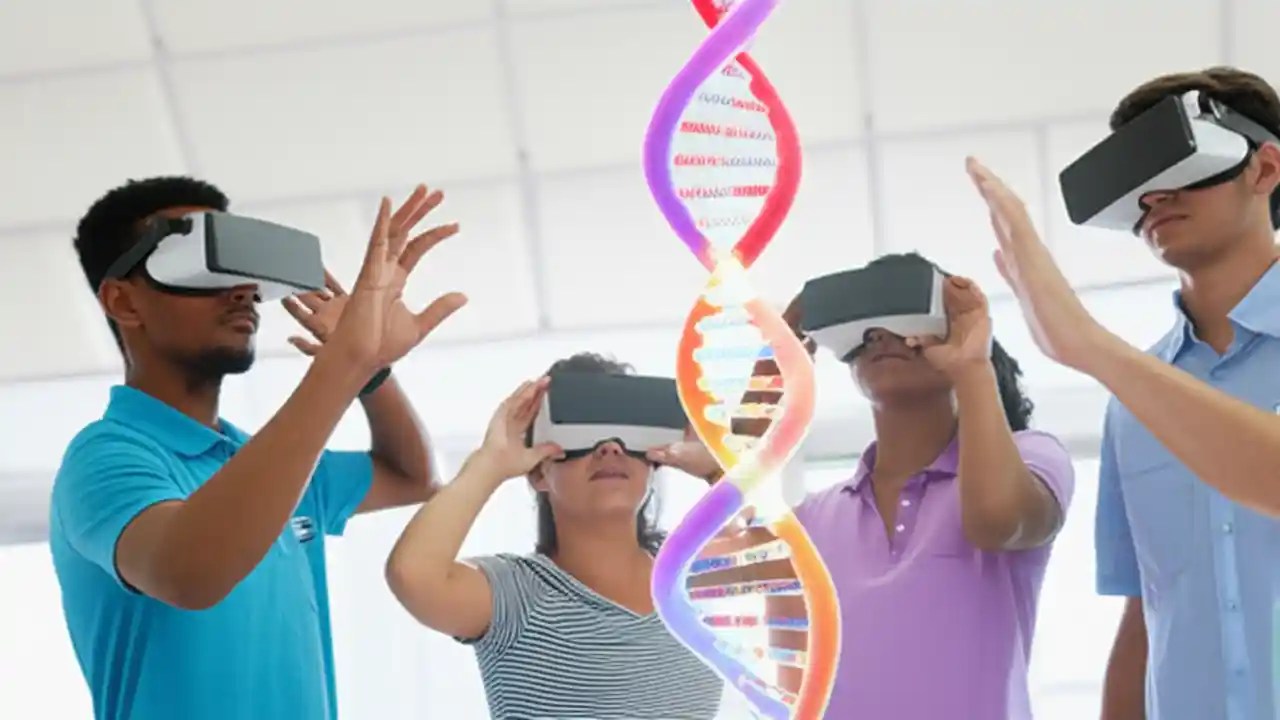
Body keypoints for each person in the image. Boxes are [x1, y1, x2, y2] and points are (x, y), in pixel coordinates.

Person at [49, 177, 466, 720]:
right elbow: (190, 572)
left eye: (238, 266)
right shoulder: (105, 457)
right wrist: (346, 362)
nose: (242, 289)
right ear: (124, 302)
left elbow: (410, 476)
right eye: (201, 263)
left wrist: (371, 372)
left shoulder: (268, 466)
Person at [964, 66, 1280, 720]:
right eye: (1136, 180)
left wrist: (1087, 344)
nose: (1152, 196)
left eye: (1179, 162)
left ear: (1265, 167)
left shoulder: (1119, 374)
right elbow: (1145, 614)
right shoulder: (1130, 406)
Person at [656, 255, 1076, 719]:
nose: (881, 336)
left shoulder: (1031, 457)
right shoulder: (813, 518)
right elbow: (712, 597)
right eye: (866, 329)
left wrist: (971, 365)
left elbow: (998, 521)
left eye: (905, 322)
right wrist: (761, 398)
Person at [385, 352, 726, 720]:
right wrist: (489, 463)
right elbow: (413, 575)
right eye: (584, 434)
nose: (609, 448)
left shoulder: (695, 582)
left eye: (626, 436)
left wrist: (720, 472)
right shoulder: (515, 598)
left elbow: (791, 585)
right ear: (538, 473)